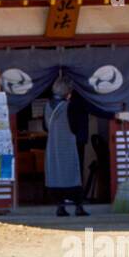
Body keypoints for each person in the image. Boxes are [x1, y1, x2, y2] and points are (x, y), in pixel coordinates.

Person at [44, 76, 89, 217]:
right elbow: (76, 127)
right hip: (70, 146)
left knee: (56, 175)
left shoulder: (47, 105)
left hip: (53, 146)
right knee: (74, 175)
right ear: (68, 91)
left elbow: (45, 127)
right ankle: (78, 207)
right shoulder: (70, 105)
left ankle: (60, 207)